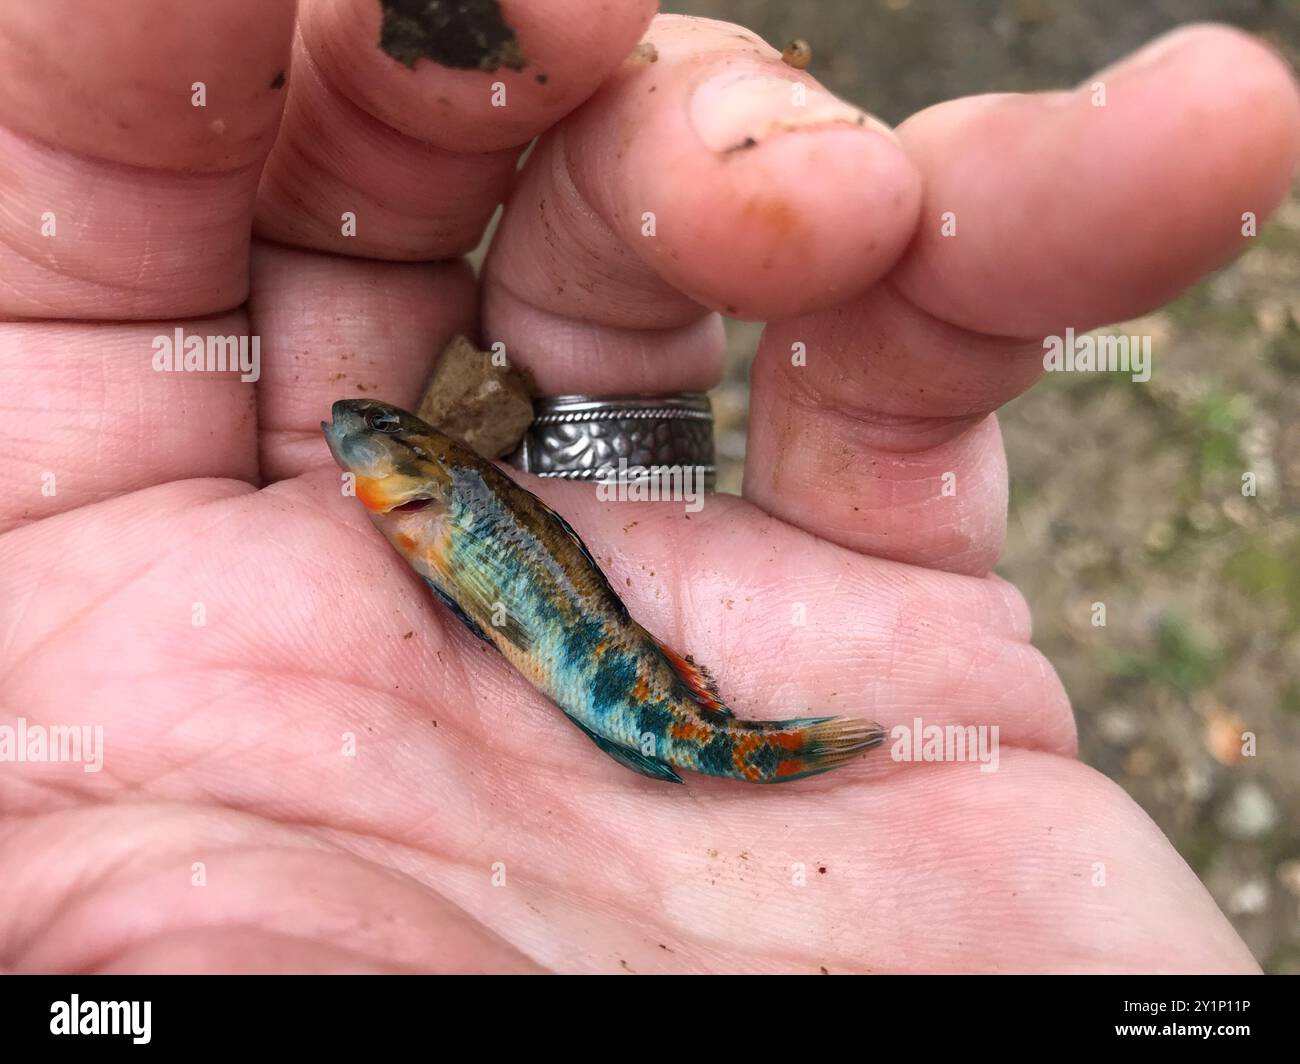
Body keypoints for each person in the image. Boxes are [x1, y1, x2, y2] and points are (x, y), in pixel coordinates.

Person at [1, 1, 1295, 973]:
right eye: (376, 436)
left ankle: (743, 744)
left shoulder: (432, 505)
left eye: (384, 436)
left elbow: (500, 586)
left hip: (647, 704)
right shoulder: (402, 522)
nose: (359, 440)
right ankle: (733, 743)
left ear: (420, 468)